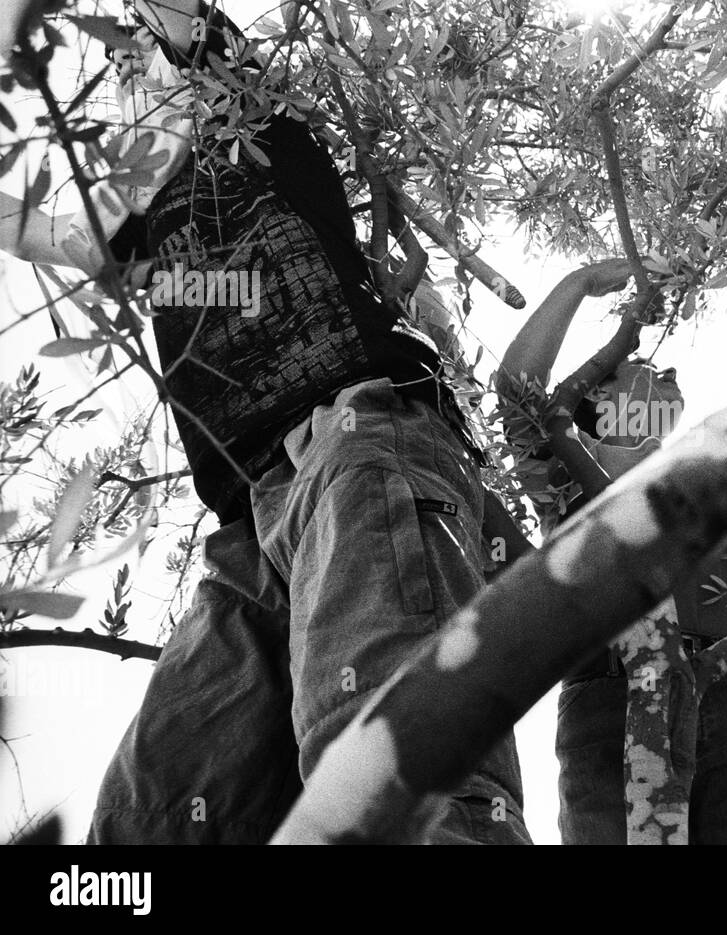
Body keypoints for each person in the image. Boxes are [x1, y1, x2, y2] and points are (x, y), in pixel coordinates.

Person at [1, 2, 528, 843]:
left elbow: (179, 21)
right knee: (152, 821)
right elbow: (50, 233)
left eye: (142, 62)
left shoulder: (258, 121)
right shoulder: (133, 224)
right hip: (249, 519)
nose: (131, 80)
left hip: (358, 438)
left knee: (396, 778)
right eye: (122, 74)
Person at [497, 265, 727, 844]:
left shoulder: (723, 474)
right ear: (598, 398)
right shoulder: (563, 474)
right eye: (645, 366)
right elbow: (516, 388)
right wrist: (582, 284)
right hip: (610, 699)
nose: (671, 369)